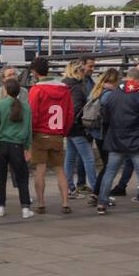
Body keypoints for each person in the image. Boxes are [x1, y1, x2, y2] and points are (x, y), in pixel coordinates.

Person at [95, 67, 139, 218]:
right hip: (137, 141)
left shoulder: (113, 94)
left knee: (110, 172)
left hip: (116, 140)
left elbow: (105, 116)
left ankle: (102, 203)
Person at [27, 56, 74, 214]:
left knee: (40, 170)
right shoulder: (64, 89)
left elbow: (32, 114)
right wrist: (64, 132)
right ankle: (65, 203)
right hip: (57, 134)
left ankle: (41, 203)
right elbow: (69, 113)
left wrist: (30, 134)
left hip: (40, 134)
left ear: (34, 72)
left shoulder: (36, 90)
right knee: (60, 170)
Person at [0, 77, 33, 219]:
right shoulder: (25, 106)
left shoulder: (0, 106)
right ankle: (25, 208)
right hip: (17, 146)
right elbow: (28, 129)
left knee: (0, 177)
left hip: (0, 145)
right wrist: (27, 147)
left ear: (5, 90)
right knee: (22, 177)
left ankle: (1, 207)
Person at [62, 61, 97, 198]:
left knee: (70, 157)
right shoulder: (76, 87)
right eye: (82, 71)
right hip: (77, 128)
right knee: (89, 158)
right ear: (76, 72)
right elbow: (76, 108)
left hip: (68, 127)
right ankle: (96, 189)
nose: (84, 73)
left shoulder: (64, 84)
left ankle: (69, 187)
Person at [86, 68, 120, 184]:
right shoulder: (110, 95)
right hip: (105, 133)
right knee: (108, 166)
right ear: (115, 80)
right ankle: (99, 193)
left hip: (95, 131)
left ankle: (99, 193)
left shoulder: (96, 90)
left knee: (106, 164)